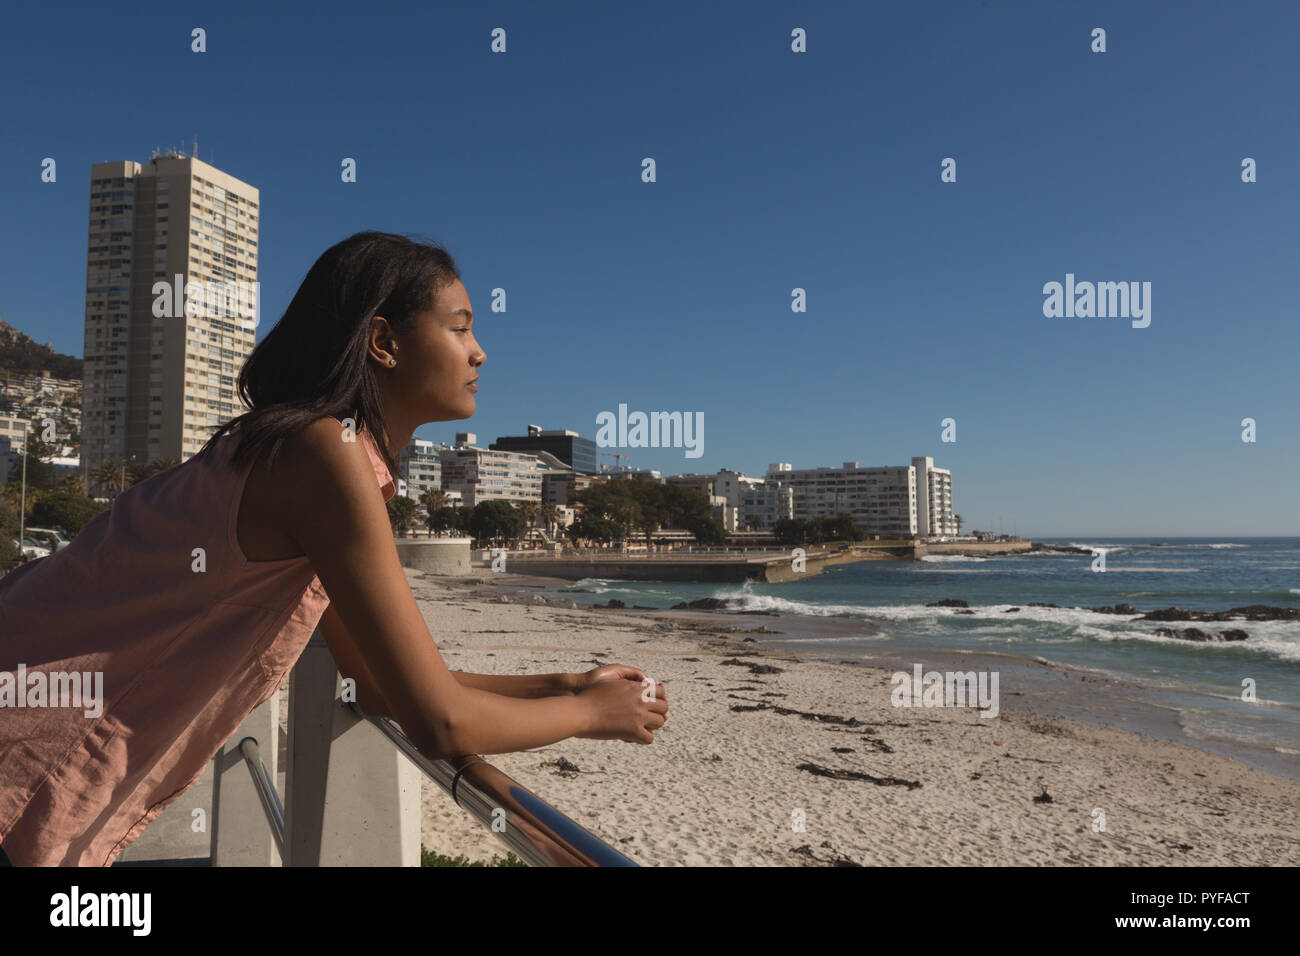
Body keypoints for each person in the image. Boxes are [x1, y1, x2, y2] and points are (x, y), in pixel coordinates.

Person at [0, 231, 667, 866]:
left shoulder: (309, 450)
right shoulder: (325, 454)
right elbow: (439, 723)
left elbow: (375, 687)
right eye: (460, 326)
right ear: (383, 341)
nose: (479, 352)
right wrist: (588, 714)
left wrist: (566, 682)